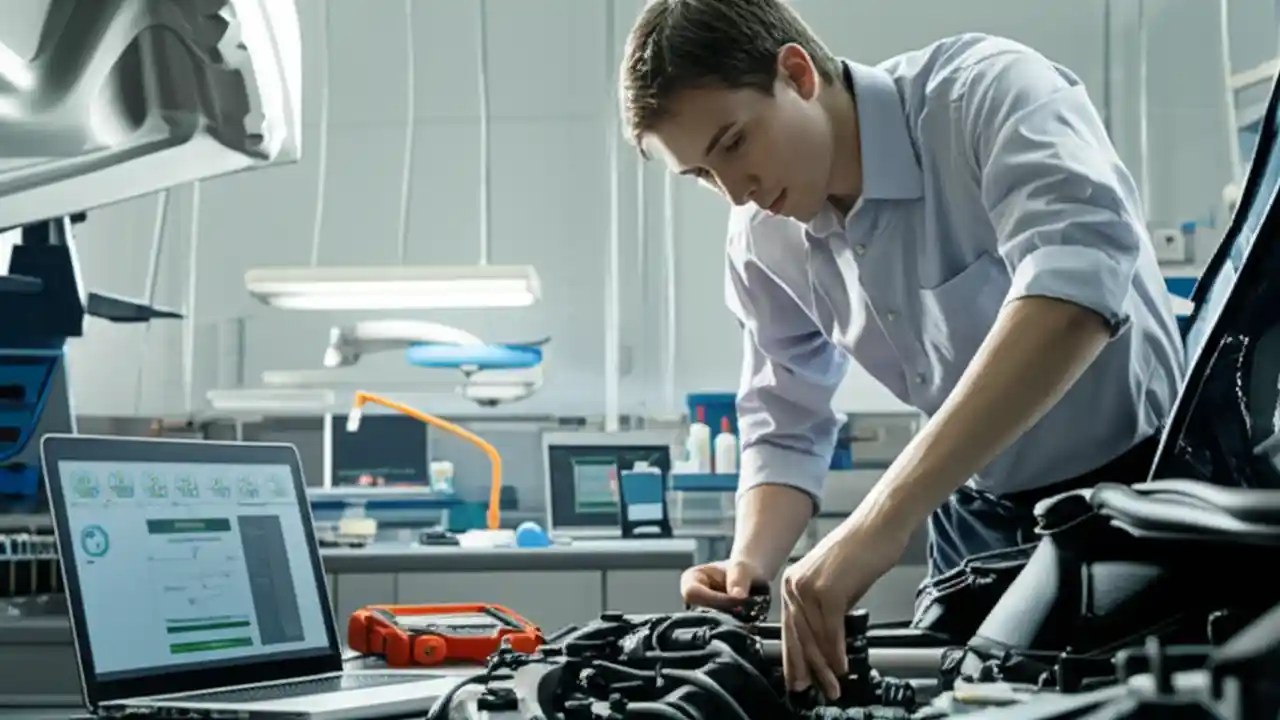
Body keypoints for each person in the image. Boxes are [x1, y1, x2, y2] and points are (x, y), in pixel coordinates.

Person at [618, 0, 1185, 702]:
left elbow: (1074, 294)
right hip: (976, 511)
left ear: (796, 74)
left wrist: (881, 520)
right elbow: (785, 415)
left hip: (1145, 494)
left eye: (733, 144)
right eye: (703, 176)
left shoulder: (987, 94)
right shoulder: (761, 240)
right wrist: (748, 567)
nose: (738, 193)